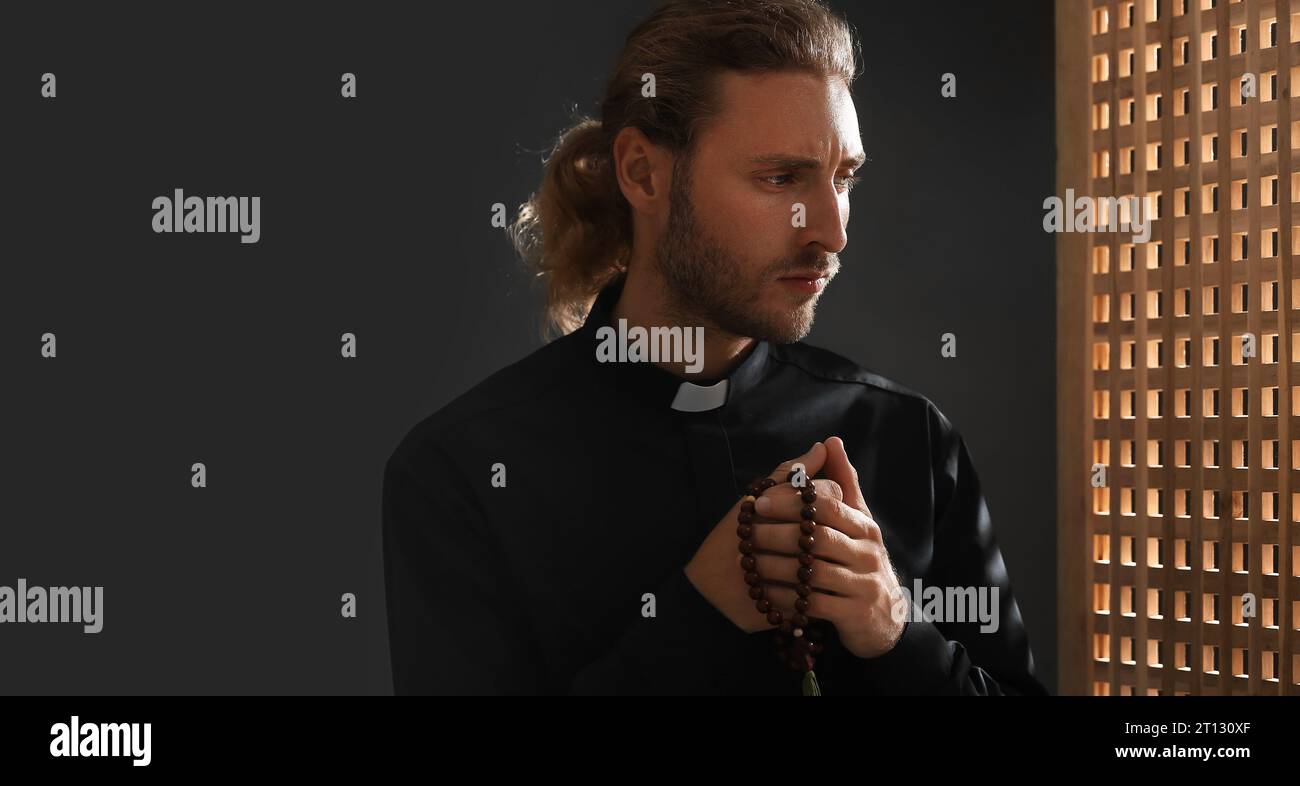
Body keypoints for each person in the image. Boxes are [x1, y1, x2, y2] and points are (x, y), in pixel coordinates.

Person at [382, 0, 1048, 695]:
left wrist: (894, 632)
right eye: (781, 178)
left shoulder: (909, 438)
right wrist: (701, 615)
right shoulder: (462, 474)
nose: (831, 230)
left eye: (843, 178)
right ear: (643, 174)